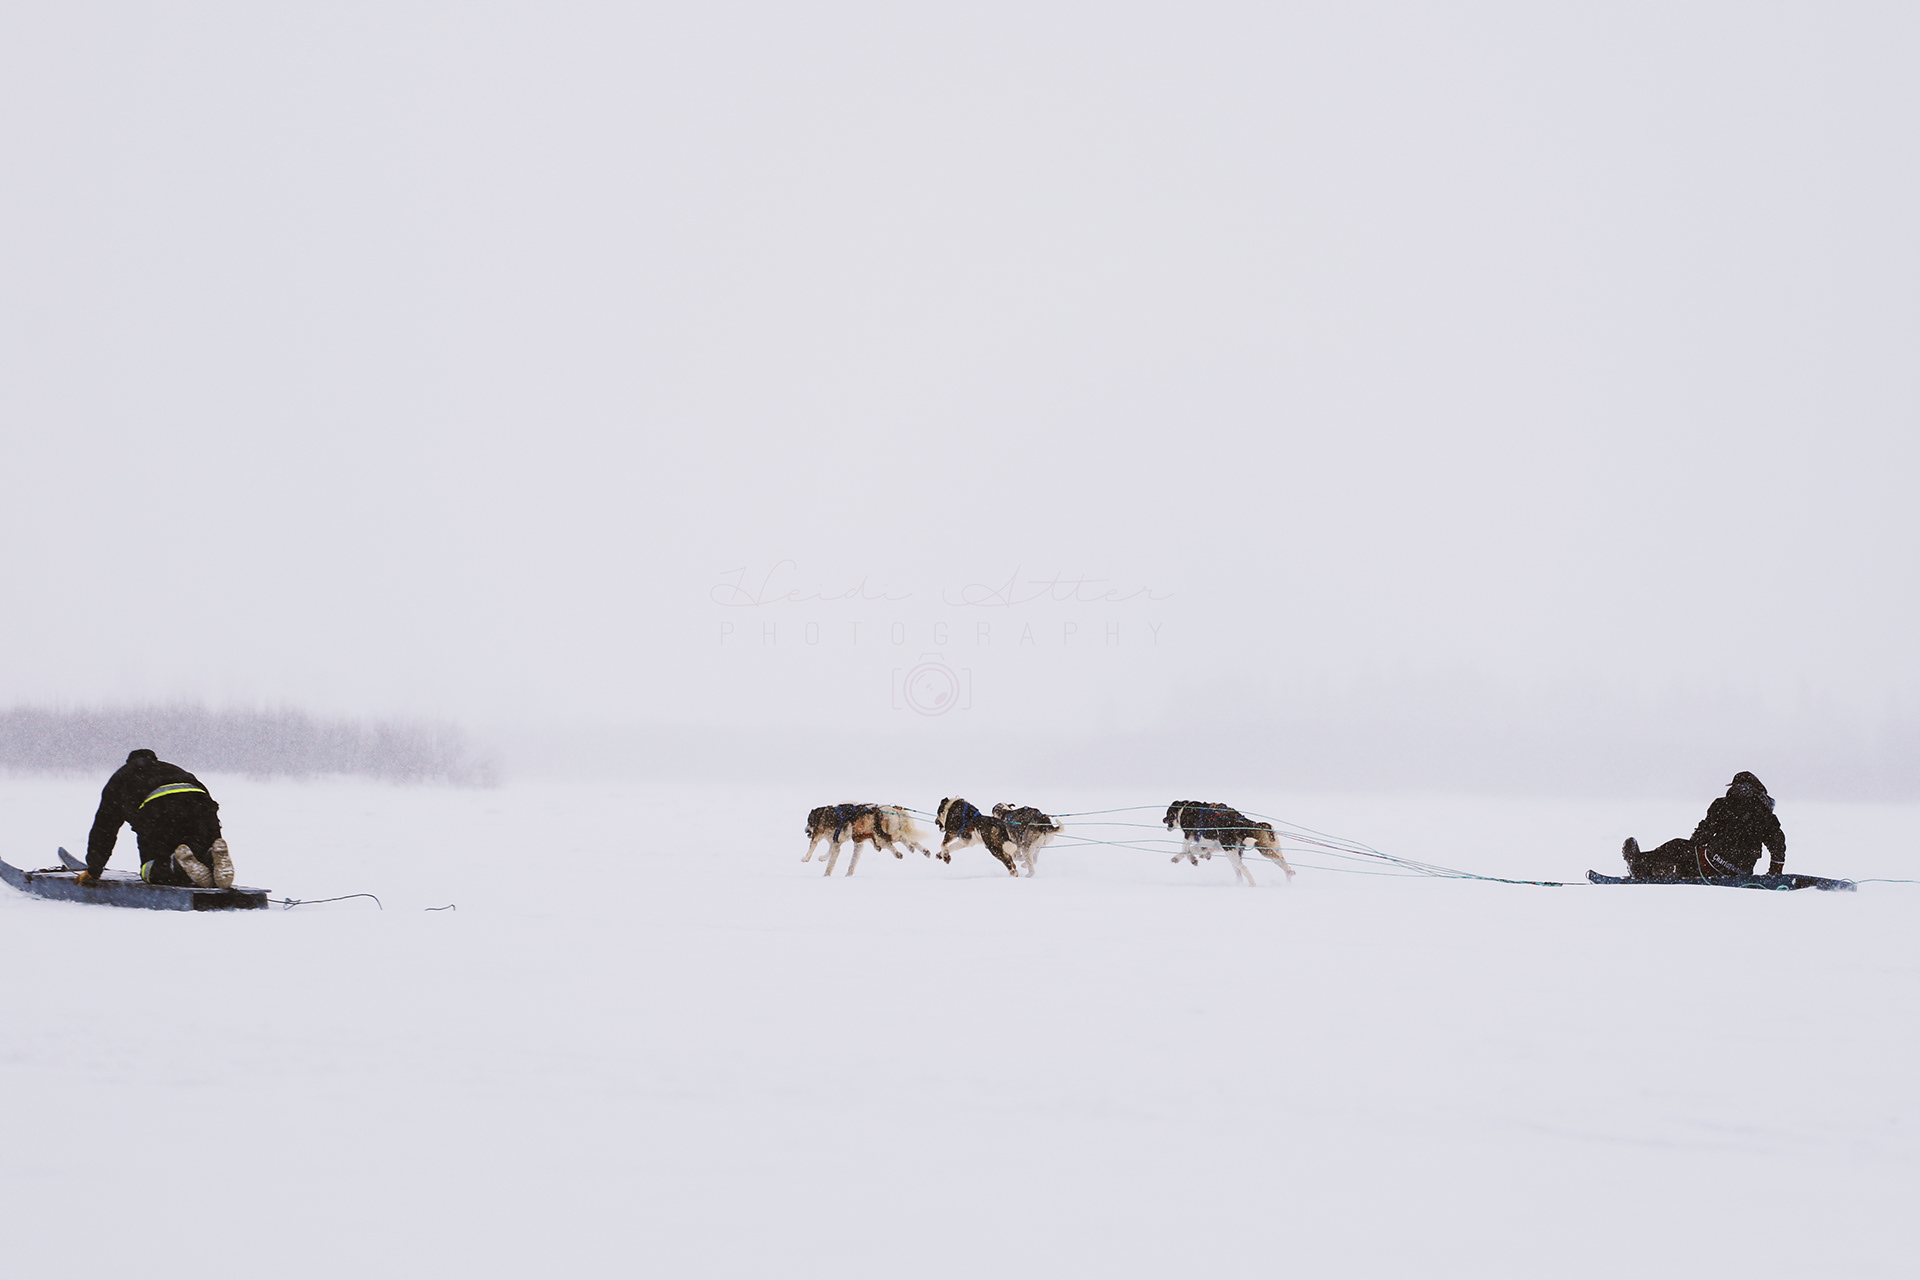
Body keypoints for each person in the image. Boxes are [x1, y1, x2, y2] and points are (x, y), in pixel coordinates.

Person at [76, 748, 235, 889]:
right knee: (196, 847)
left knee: (150, 869)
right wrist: (212, 835)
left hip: (159, 812)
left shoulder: (121, 777)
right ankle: (211, 858)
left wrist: (94, 868)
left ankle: (173, 866)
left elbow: (104, 828)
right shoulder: (172, 768)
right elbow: (205, 799)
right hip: (201, 808)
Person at [1621, 771, 1786, 880]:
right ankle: (1666, 869)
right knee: (1690, 856)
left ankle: (1640, 865)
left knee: (1678, 847)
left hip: (1714, 861)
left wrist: (1690, 847)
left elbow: (1704, 832)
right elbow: (1777, 843)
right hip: (1742, 870)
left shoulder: (1723, 805)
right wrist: (1775, 873)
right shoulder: (1765, 814)